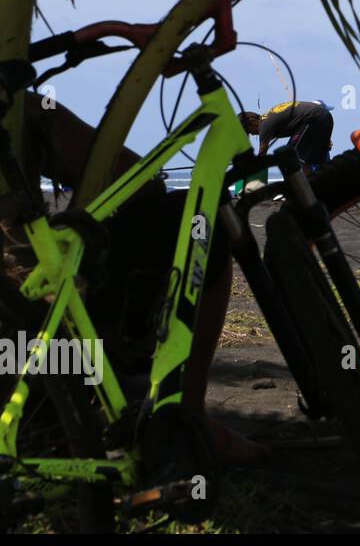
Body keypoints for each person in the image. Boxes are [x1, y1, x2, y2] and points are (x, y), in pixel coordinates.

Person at [5, 94, 265, 460]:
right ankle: (187, 420)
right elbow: (137, 177)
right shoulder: (23, 108)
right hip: (38, 346)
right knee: (193, 222)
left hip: (25, 350)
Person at [240, 99, 334, 170]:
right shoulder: (269, 117)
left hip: (312, 118)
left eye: (249, 131)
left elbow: (262, 154)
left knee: (290, 156)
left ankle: (305, 186)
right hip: (325, 116)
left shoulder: (264, 125)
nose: (252, 134)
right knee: (319, 161)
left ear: (251, 121)